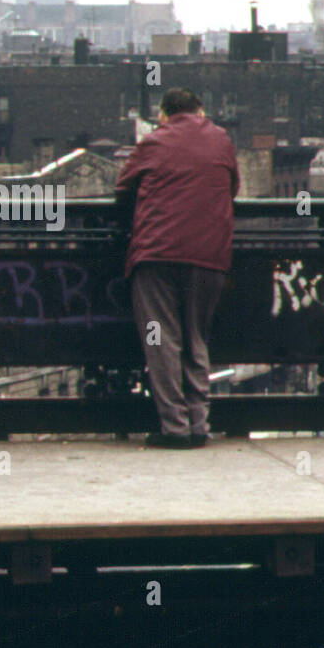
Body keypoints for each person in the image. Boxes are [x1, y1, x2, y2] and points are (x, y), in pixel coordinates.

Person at [114, 87, 240, 449]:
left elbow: (123, 189)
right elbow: (232, 187)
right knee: (196, 339)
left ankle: (175, 427)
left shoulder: (154, 141)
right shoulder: (221, 140)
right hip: (209, 257)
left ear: (164, 115)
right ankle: (200, 423)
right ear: (199, 112)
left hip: (157, 256)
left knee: (161, 342)